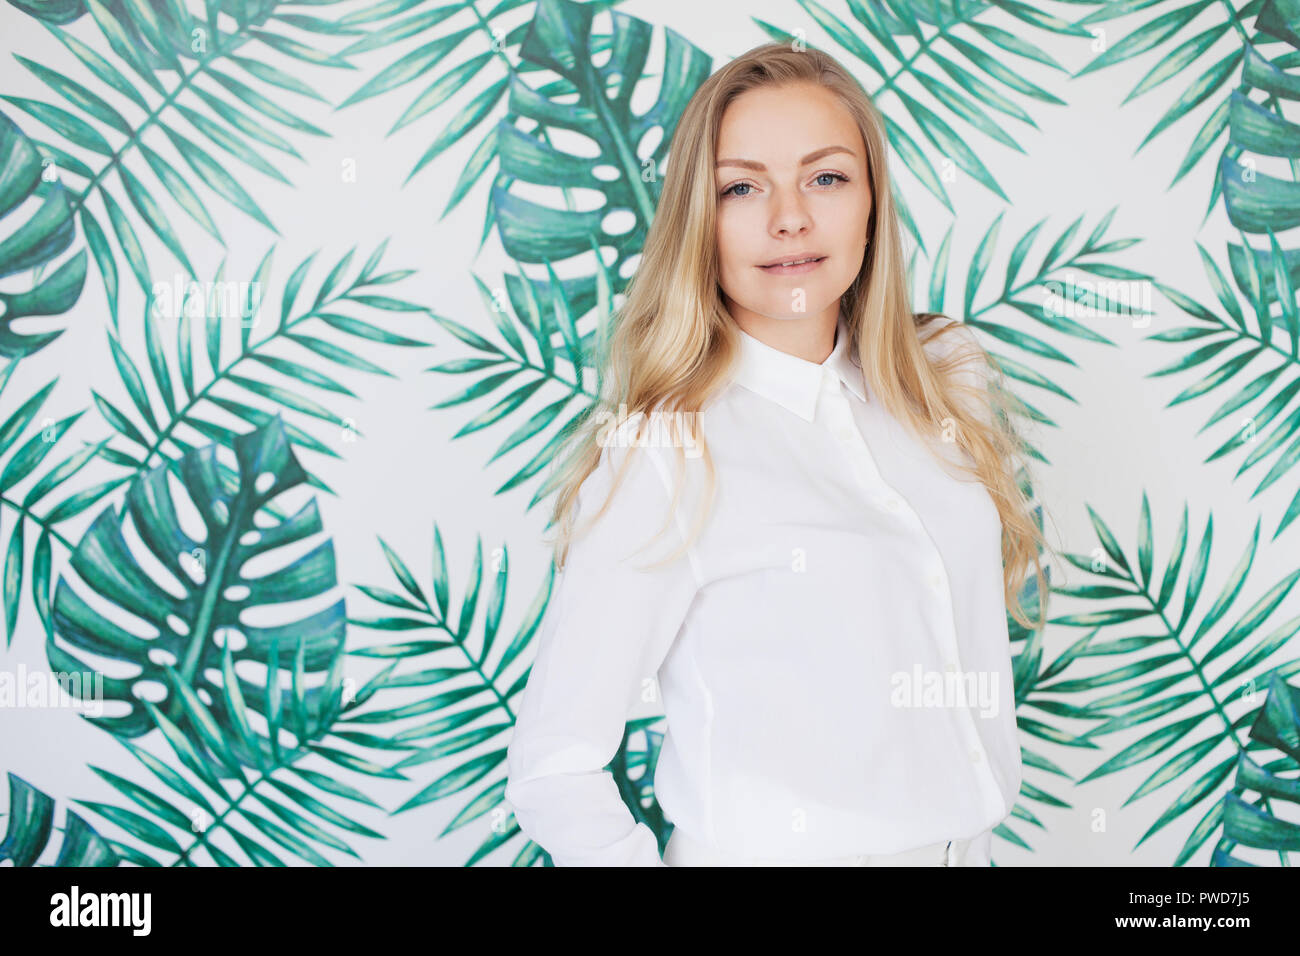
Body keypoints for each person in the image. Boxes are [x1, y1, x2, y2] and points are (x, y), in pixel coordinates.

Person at [504, 41, 1050, 867]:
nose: (789, 217)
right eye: (741, 187)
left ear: (872, 202)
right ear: (701, 219)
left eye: (826, 177)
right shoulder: (667, 450)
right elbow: (554, 769)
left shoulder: (947, 378)